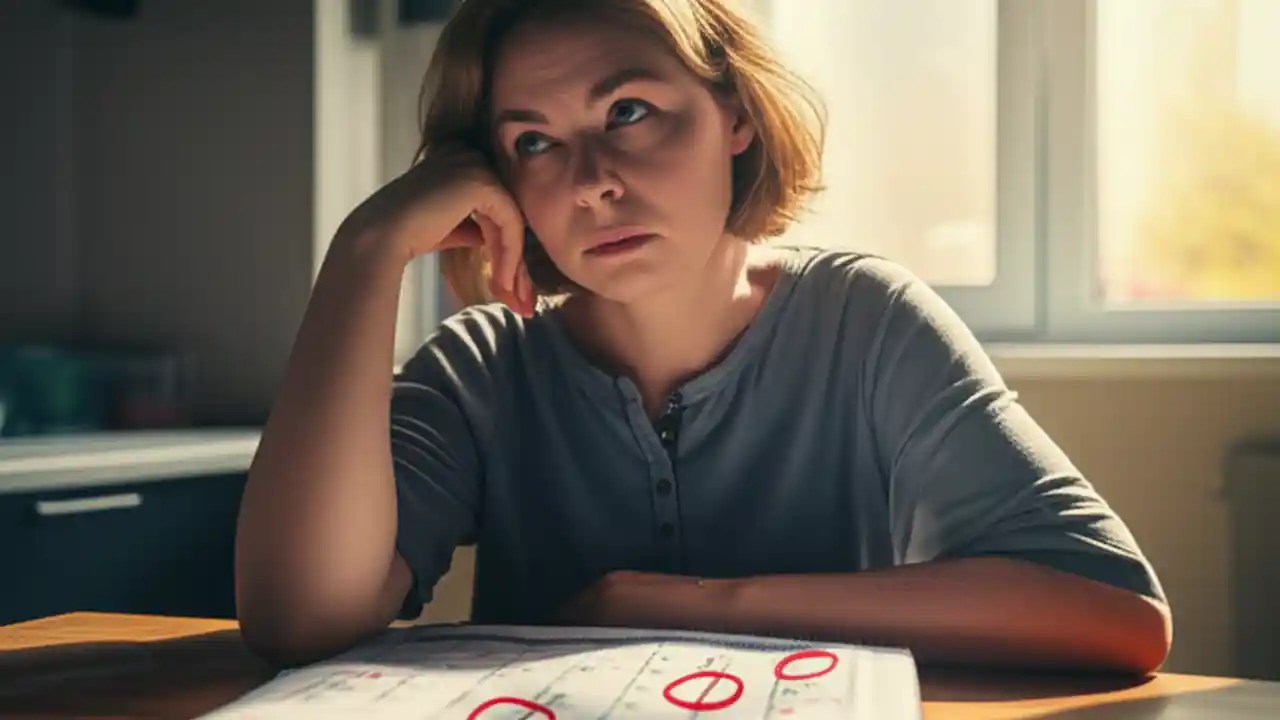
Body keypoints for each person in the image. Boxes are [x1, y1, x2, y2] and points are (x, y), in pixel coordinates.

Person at [234, 0, 1172, 674]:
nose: (592, 180)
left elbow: (1116, 615)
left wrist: (698, 605)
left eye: (628, 111)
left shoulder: (868, 322)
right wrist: (367, 250)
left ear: (733, 115)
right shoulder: (483, 368)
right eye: (533, 142)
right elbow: (295, 621)